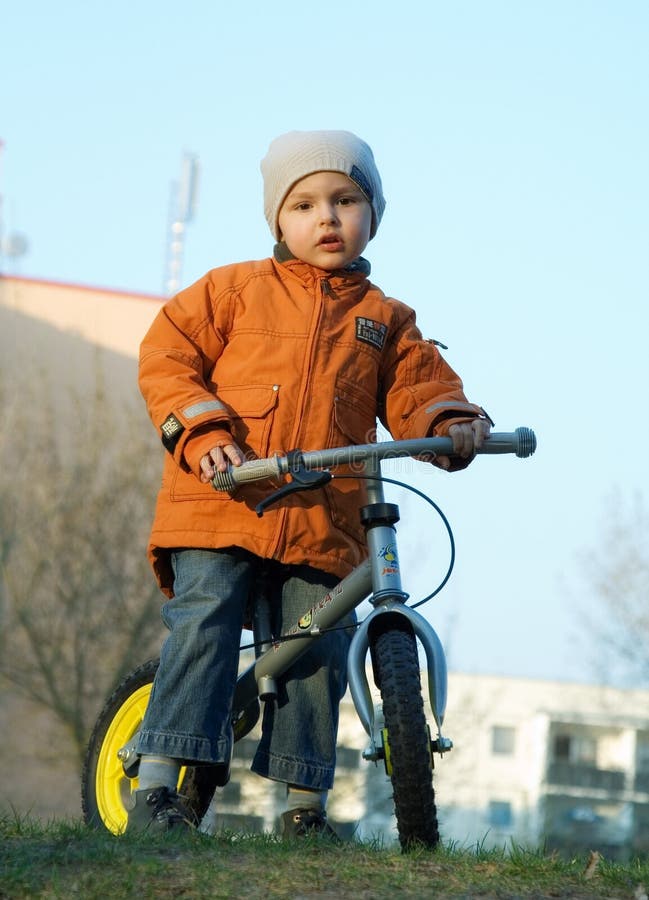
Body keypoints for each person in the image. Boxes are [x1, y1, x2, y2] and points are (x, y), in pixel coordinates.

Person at [129, 130, 491, 835]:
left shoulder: (385, 320)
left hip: (325, 521)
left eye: (345, 199)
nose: (325, 218)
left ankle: (303, 807)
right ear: (277, 220)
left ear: (372, 213)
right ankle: (154, 786)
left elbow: (422, 387)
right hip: (224, 500)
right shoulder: (232, 290)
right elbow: (166, 357)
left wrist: (451, 421)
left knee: (316, 649)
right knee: (205, 622)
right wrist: (204, 432)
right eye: (302, 205)